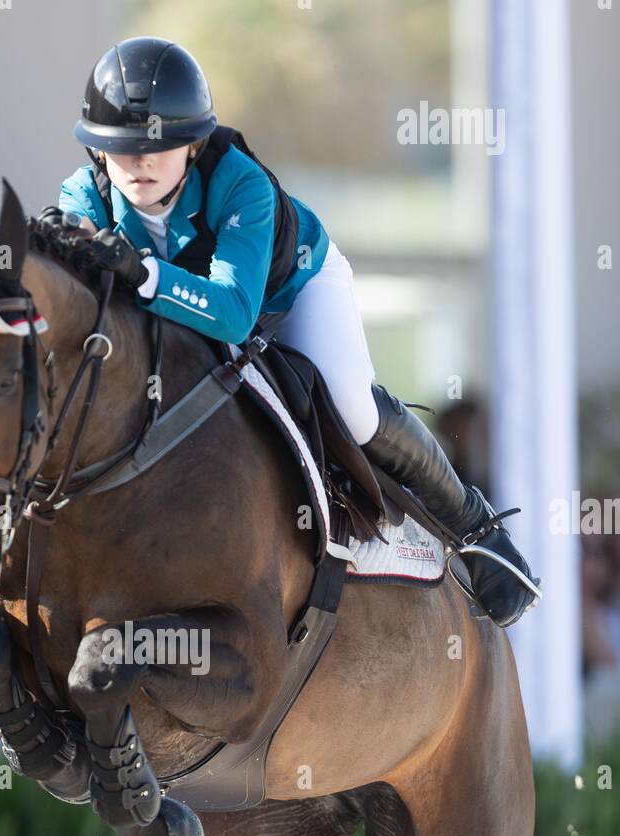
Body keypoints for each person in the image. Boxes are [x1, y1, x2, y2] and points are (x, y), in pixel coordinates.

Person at [57, 36, 540, 627]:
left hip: (294, 292)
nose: (139, 164)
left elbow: (235, 313)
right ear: (99, 153)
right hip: (190, 311)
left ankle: (476, 527)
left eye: (160, 148)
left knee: (352, 408)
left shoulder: (241, 185)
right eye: (121, 149)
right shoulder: (84, 197)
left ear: (195, 143)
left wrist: (143, 273)